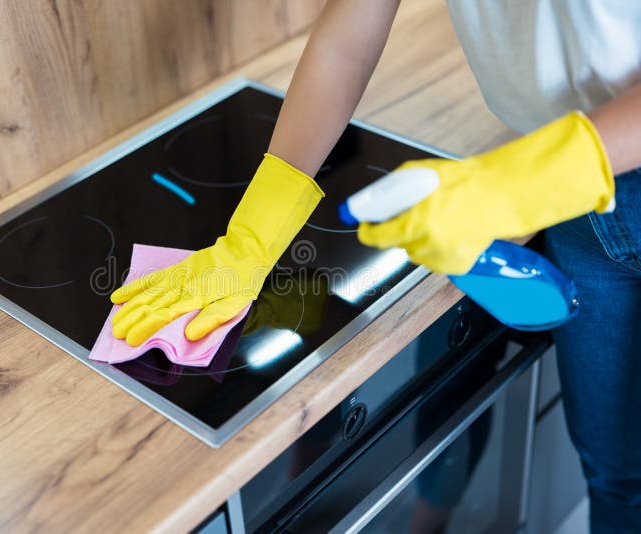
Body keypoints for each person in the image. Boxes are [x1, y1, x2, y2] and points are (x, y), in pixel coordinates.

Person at [110, 2, 641, 531]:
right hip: (576, 194)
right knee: (617, 471)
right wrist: (251, 237)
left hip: (581, 164)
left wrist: (520, 183)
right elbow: (345, 43)